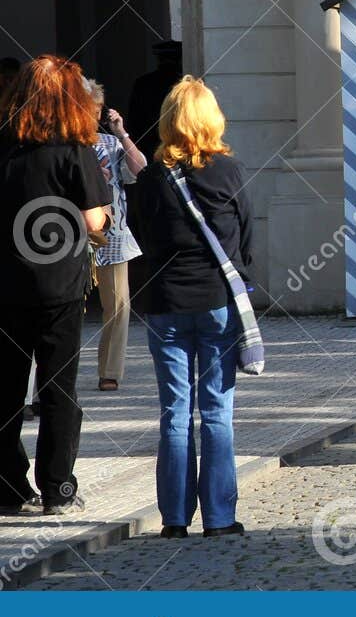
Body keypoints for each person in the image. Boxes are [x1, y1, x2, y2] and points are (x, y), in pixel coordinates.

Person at [130, 76, 252, 537]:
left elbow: (141, 237)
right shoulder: (229, 171)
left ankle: (175, 519)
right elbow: (246, 238)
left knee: (174, 412)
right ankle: (220, 518)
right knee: (218, 411)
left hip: (166, 303)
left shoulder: (151, 179)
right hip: (216, 301)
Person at [0, 56, 112, 516]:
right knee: (58, 388)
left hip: (5, 283)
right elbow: (92, 220)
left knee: (5, 388)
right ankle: (57, 487)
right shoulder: (73, 147)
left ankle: (8, 488)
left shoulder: (3, 144)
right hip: (59, 284)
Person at [86, 79, 146, 392]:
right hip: (74, 237)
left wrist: (121, 132)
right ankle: (54, 375)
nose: (92, 114)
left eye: (96, 109)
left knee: (118, 305)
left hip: (113, 234)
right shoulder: (63, 143)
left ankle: (110, 371)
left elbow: (140, 168)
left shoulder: (110, 143)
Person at [125, 39, 183, 161]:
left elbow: (134, 121)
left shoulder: (143, 83)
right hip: (173, 144)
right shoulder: (183, 83)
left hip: (149, 145)